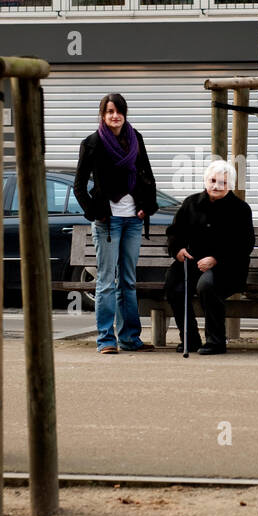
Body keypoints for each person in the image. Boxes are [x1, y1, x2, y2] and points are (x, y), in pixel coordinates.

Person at [73, 93, 160, 354]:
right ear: (102, 114)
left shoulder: (136, 139)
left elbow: (148, 175)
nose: (115, 115)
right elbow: (79, 186)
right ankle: (106, 340)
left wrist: (147, 206)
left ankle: (130, 338)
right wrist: (95, 212)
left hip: (133, 220)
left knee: (128, 281)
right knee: (106, 282)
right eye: (109, 111)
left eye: (119, 110)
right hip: (107, 224)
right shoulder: (92, 143)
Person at [164, 160, 255, 355]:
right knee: (174, 285)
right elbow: (174, 231)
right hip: (193, 263)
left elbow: (244, 244)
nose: (216, 186)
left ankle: (216, 341)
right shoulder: (191, 203)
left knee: (207, 285)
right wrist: (177, 249)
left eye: (222, 182)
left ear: (230, 185)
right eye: (213, 181)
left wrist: (216, 258)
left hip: (228, 267)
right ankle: (190, 338)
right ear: (206, 181)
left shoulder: (240, 209)